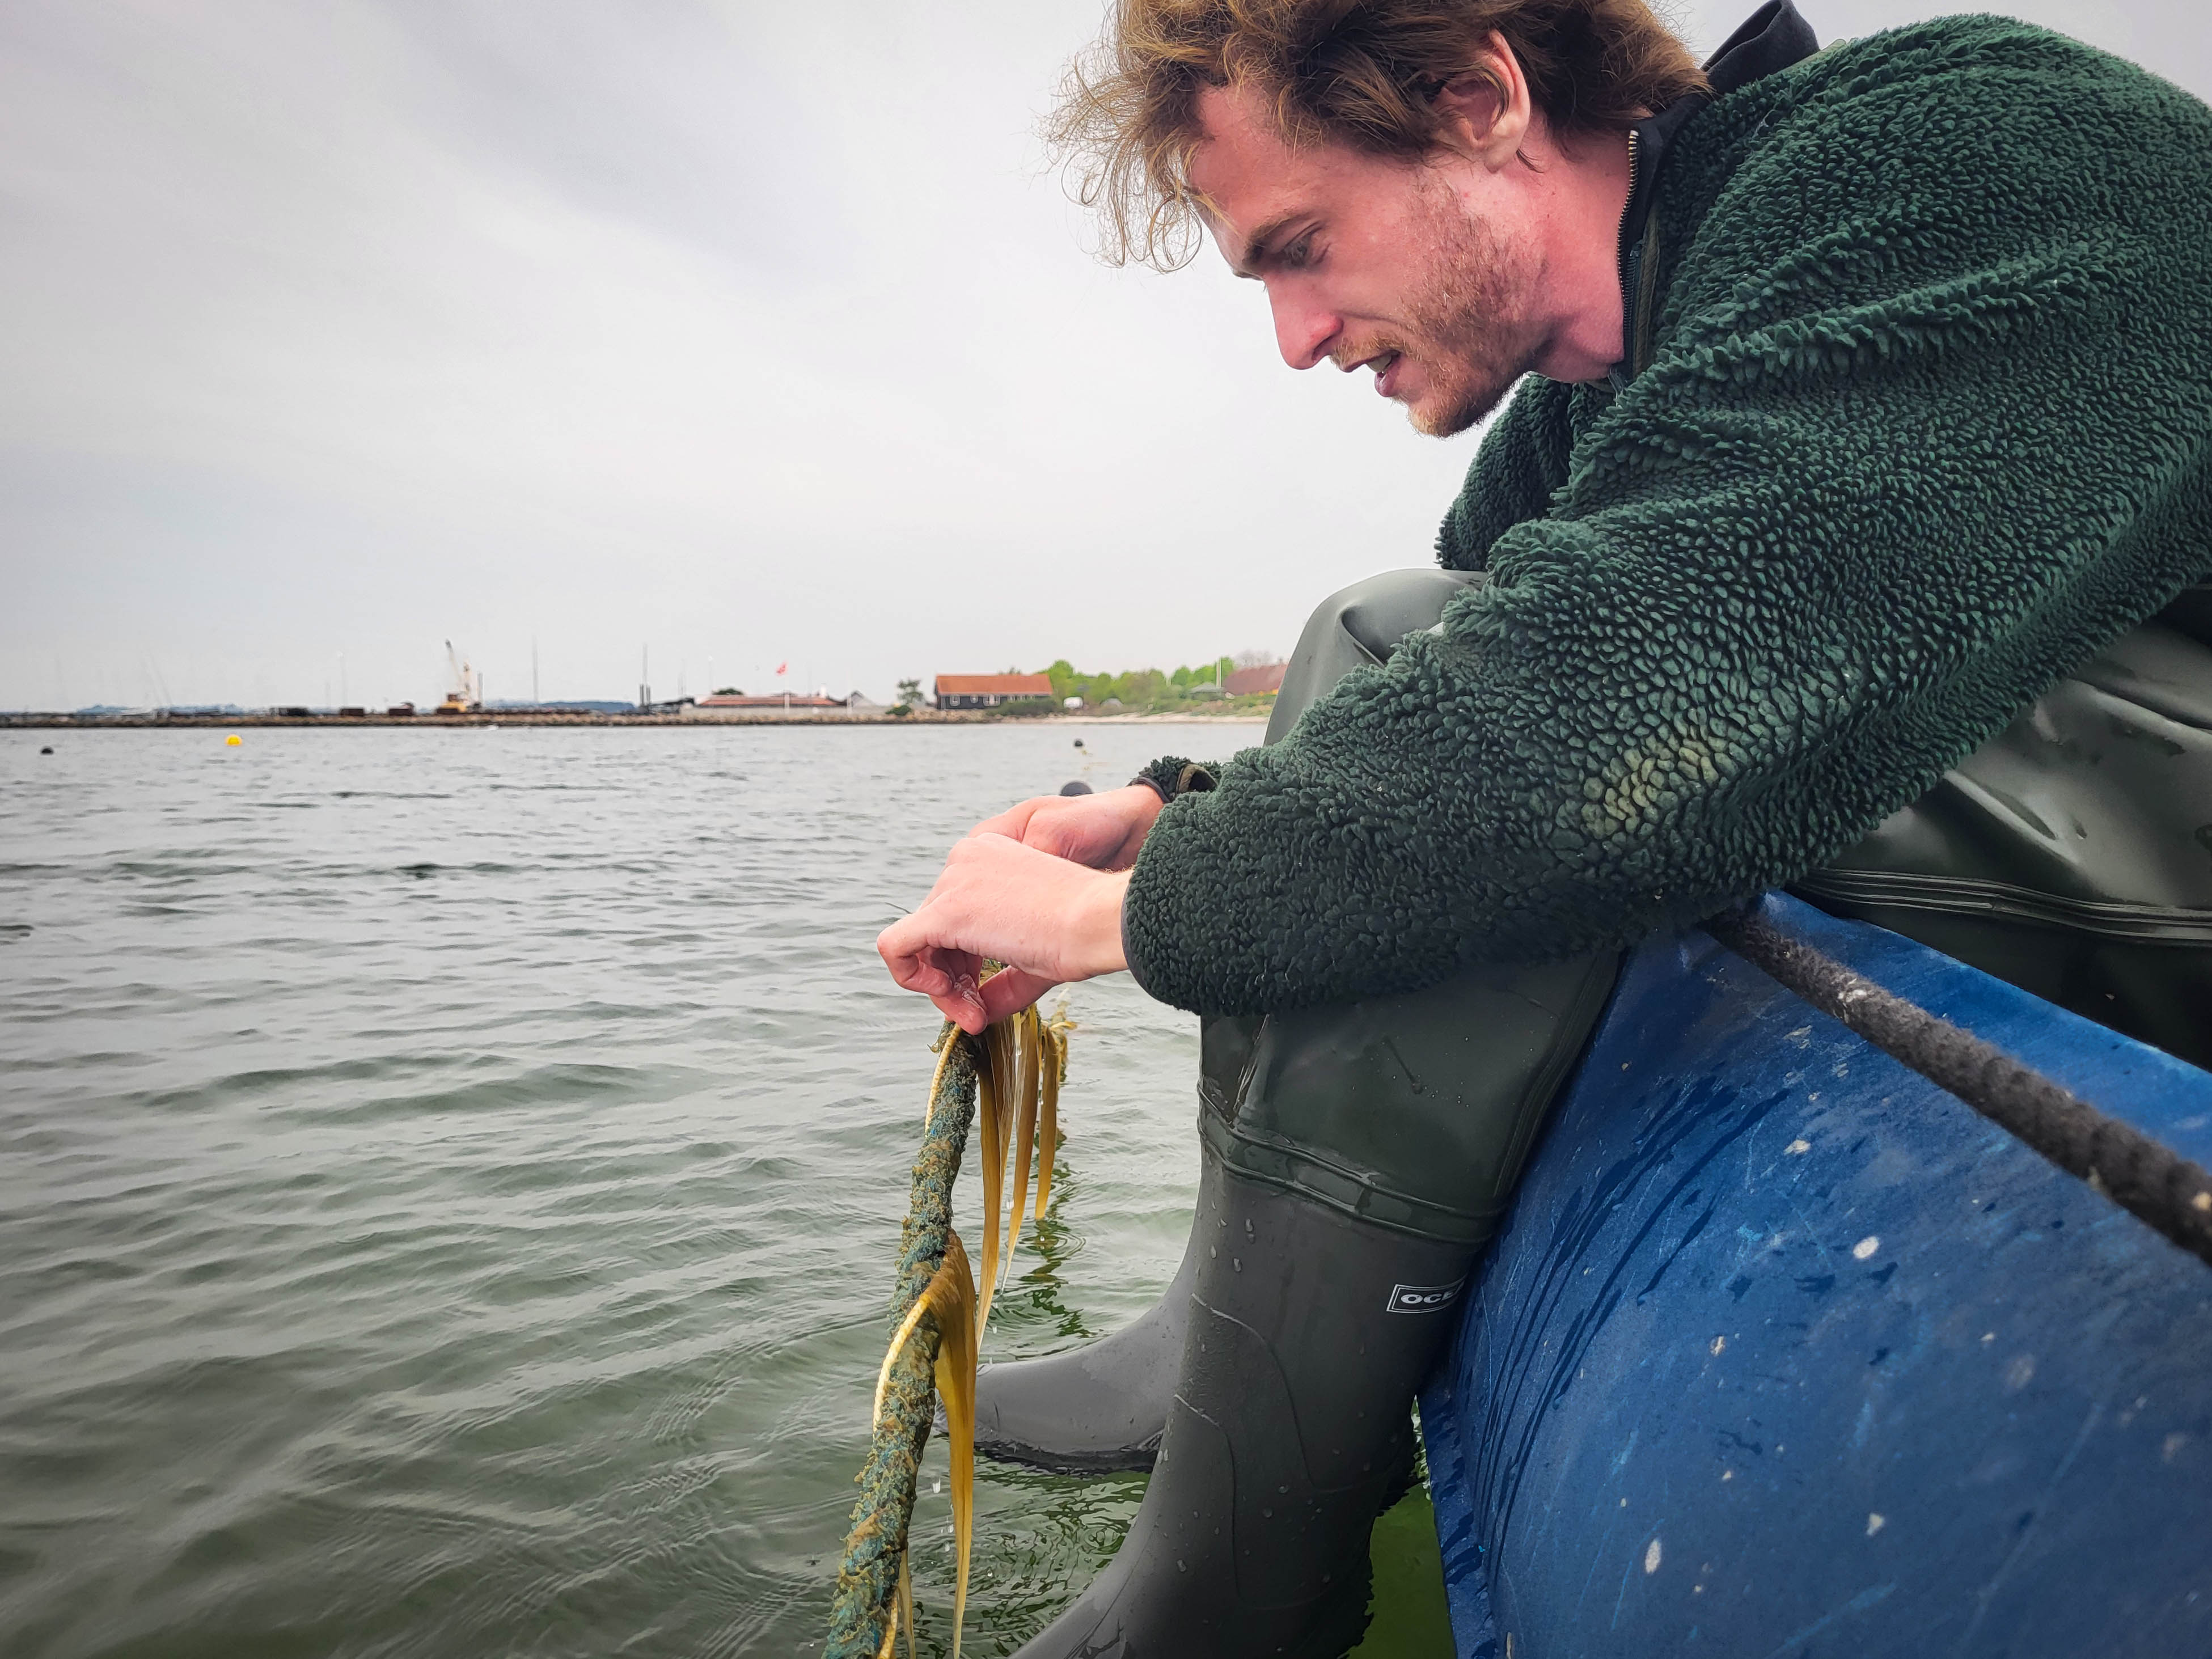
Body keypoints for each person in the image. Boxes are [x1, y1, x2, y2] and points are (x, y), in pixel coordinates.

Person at [876, 1, 2212, 1652]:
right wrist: (1162, 817)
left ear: (1480, 96)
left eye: (1300, 248)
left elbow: (1613, 699)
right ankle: (1215, 1356)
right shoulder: (1616, 365)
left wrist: (1115, 929)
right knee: (1385, 624)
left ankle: (1237, 1593)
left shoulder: (1979, 152)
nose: (1295, 338)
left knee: (1454, 693)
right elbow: (1454, 652)